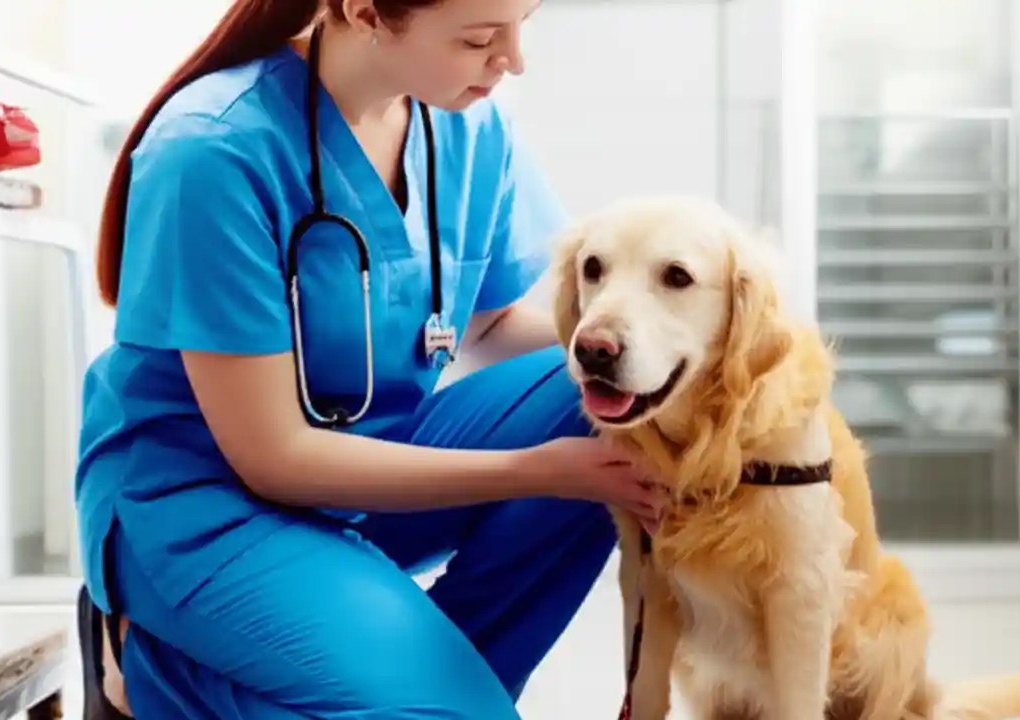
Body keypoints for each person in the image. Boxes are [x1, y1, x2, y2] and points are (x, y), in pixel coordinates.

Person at [73, 0, 666, 717]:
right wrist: (538, 471)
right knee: (448, 698)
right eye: (480, 38)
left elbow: (492, 320)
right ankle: (150, 667)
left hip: (375, 460)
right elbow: (275, 458)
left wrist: (658, 356)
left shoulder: (470, 125)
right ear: (365, 13)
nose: (513, 60)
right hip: (210, 501)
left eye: (523, 26)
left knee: (600, 404)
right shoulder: (212, 149)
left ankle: (428, 687)